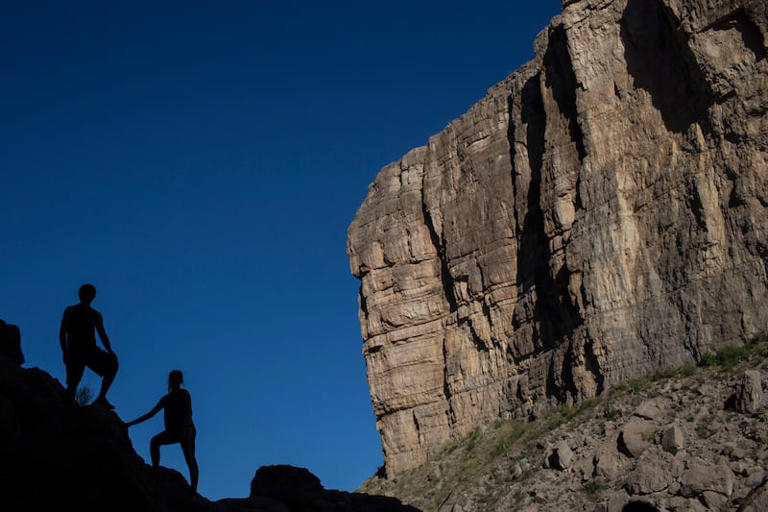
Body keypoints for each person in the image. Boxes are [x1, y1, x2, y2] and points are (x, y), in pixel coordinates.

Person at [126, 370, 199, 493]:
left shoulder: (184, 394)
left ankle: (193, 489)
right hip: (173, 431)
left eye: (176, 379)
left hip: (187, 430)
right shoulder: (166, 399)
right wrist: (130, 424)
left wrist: (183, 430)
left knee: (189, 457)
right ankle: (155, 471)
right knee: (155, 441)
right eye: (172, 379)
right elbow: (151, 414)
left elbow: (188, 412)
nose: (174, 382)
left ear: (180, 381)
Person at [59, 283, 118, 408]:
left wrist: (110, 351)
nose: (89, 296)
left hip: (90, 350)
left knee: (112, 364)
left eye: (91, 293)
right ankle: (67, 406)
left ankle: (101, 397)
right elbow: (62, 332)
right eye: (87, 293)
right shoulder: (71, 310)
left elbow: (102, 334)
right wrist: (65, 351)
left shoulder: (95, 315)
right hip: (75, 350)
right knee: (73, 383)